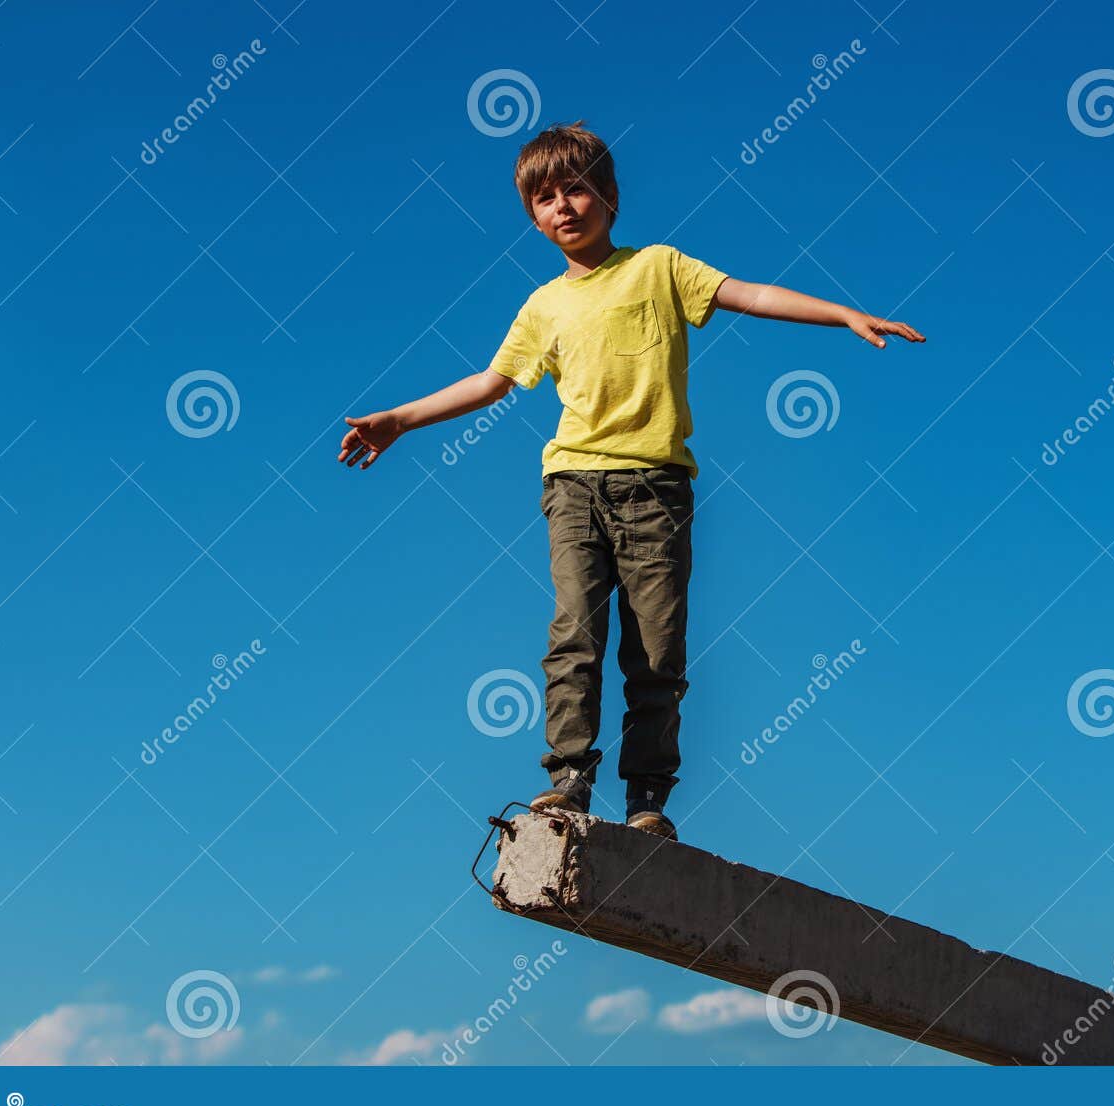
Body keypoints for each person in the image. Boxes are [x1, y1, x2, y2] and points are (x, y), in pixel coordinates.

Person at [338, 121, 923, 841]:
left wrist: (841, 313)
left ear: (610, 197)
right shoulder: (543, 305)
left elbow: (753, 295)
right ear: (532, 216)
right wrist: (401, 417)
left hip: (656, 491)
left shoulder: (659, 268)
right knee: (573, 631)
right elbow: (492, 382)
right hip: (575, 485)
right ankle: (569, 779)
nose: (563, 206)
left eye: (576, 189)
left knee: (655, 648)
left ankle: (647, 798)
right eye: (545, 197)